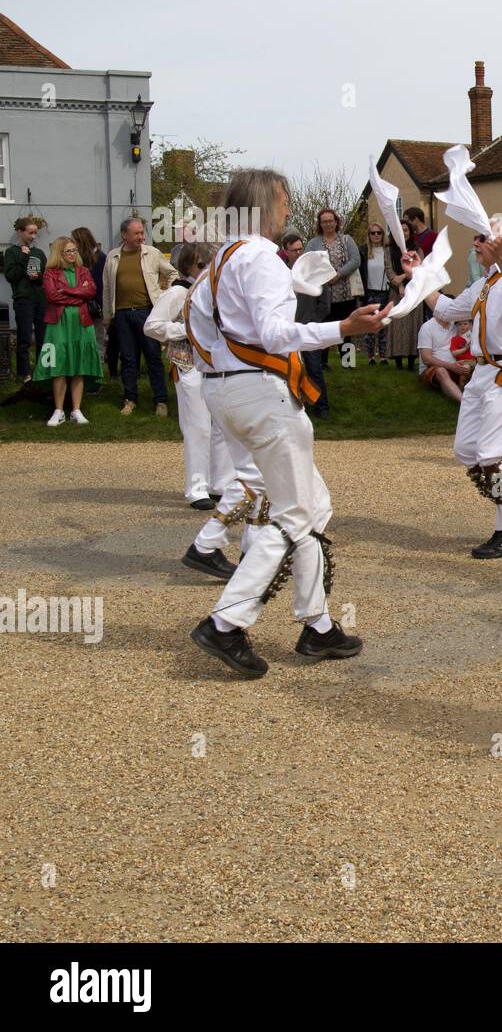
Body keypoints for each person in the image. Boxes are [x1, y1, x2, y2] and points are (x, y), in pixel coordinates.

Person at [185, 169, 388, 678]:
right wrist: (345, 327)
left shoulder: (219, 262)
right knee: (297, 512)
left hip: (225, 392)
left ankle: (317, 625)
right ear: (266, 204)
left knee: (311, 503)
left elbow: (204, 331)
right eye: (284, 201)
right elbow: (277, 334)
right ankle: (227, 622)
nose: (288, 210)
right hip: (260, 394)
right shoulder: (260, 257)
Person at [407, 214, 502, 561]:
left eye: (483, 237)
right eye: (476, 237)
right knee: (467, 451)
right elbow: (447, 308)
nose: (476, 243)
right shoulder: (484, 284)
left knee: (490, 454)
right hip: (483, 373)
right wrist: (418, 275)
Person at [145, 242, 233, 507]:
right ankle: (197, 488)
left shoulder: (215, 292)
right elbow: (152, 326)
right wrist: (186, 330)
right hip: (188, 365)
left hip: (217, 364)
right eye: (201, 265)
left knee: (222, 425)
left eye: (209, 264)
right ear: (187, 267)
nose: (207, 269)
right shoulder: (177, 293)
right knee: (197, 427)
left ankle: (220, 482)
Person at [103, 216, 177, 416]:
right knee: (127, 359)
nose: (140, 237)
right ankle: (130, 399)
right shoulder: (112, 256)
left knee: (153, 356)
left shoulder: (151, 253)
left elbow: (172, 273)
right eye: (136, 233)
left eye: (142, 233)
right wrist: (107, 315)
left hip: (147, 312)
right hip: (122, 314)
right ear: (124, 235)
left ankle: (161, 401)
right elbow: (107, 287)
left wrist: (164, 296)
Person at [34, 236, 102, 425]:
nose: (72, 254)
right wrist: (77, 293)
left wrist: (66, 290)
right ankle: (58, 410)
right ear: (59, 253)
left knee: (79, 365)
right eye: (68, 251)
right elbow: (52, 295)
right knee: (58, 365)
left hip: (82, 323)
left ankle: (76, 409)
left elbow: (91, 292)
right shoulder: (50, 273)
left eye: (74, 250)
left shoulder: (83, 271)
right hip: (58, 324)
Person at [279, 232, 331, 420]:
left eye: (301, 248)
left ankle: (322, 407)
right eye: (294, 250)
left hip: (309, 329)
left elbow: (325, 303)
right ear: (285, 251)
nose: (299, 253)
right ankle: (290, 408)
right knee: (285, 370)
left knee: (314, 368)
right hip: (286, 330)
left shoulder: (314, 272)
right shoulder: (280, 273)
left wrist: (314, 321)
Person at [307, 208, 361, 364]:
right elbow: (308, 262)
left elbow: (355, 260)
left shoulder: (346, 240)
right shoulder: (313, 243)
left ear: (336, 222)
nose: (328, 224)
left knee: (347, 328)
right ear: (320, 224)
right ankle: (323, 362)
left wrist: (339, 274)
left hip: (345, 293)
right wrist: (324, 277)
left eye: (330, 220)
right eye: (324, 221)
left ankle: (348, 361)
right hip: (323, 296)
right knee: (323, 328)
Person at [4, 216, 46, 381]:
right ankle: (25, 373)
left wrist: (38, 277)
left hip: (40, 300)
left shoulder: (39, 253)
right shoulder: (12, 252)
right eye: (30, 233)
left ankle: (42, 371)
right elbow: (10, 276)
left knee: (43, 338)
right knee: (24, 337)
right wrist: (23, 258)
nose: (33, 236)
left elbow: (47, 277)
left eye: (35, 233)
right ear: (20, 232)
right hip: (23, 300)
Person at [71, 226, 109, 373]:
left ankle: (96, 377)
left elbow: (101, 286)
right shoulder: (79, 260)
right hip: (80, 308)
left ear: (81, 241)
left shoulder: (100, 259)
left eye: (74, 241)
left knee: (97, 343)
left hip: (94, 309)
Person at [385, 234, 424, 369]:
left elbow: (419, 270)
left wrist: (404, 276)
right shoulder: (389, 250)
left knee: (413, 325)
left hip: (414, 292)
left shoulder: (417, 250)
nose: (404, 233)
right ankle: (398, 362)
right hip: (396, 293)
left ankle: (412, 361)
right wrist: (400, 286)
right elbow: (390, 273)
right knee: (397, 326)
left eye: (406, 230)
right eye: (400, 230)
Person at [418, 316, 473, 401]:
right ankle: (464, 402)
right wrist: (451, 366)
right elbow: (426, 358)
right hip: (434, 368)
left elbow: (470, 331)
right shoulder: (427, 327)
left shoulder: (456, 324)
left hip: (459, 365)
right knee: (441, 371)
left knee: (478, 366)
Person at [361, 223, 391, 365]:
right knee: (370, 325)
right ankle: (370, 356)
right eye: (373, 233)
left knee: (383, 324)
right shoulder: (364, 251)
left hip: (385, 291)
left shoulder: (387, 251)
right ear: (369, 235)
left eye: (379, 232)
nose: (376, 235)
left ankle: (383, 356)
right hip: (370, 292)